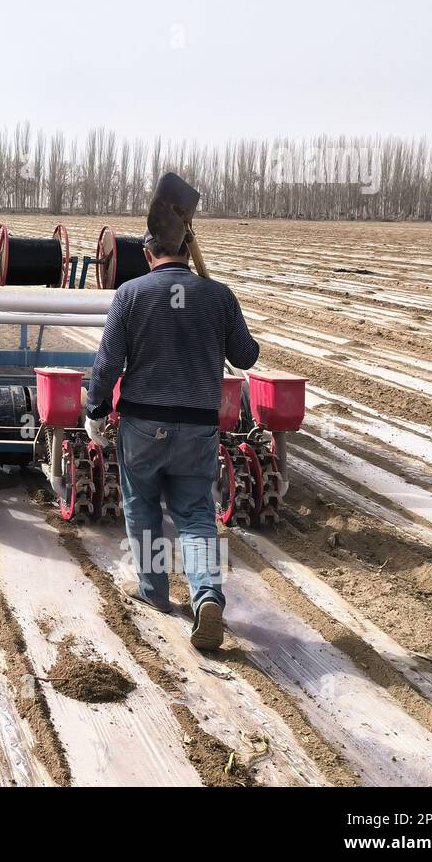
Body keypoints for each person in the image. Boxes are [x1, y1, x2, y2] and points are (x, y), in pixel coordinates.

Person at [85, 230, 260, 650]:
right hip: (198, 425)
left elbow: (108, 362)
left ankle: (154, 591)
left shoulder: (130, 294)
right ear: (190, 248)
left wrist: (94, 408)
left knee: (141, 504)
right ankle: (207, 597)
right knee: (196, 513)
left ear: (147, 252)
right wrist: (220, 307)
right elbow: (247, 357)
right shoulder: (218, 295)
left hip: (143, 424)